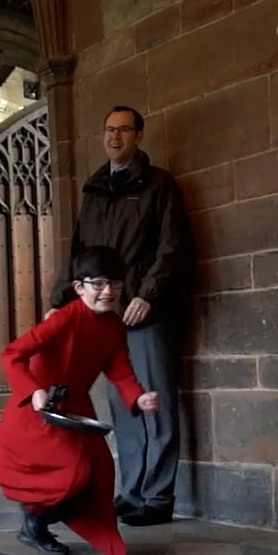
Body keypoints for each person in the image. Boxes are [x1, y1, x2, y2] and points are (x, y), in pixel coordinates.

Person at [56, 105, 191, 527]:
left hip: (145, 310)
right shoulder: (94, 189)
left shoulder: (159, 184)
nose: (115, 137)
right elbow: (79, 251)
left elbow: (172, 248)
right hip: (106, 313)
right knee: (124, 405)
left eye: (124, 130)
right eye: (109, 129)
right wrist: (62, 299)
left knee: (158, 404)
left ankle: (157, 496)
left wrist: (149, 295)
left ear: (139, 136)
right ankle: (131, 491)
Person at [0, 246, 158, 555]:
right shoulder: (63, 319)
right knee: (67, 474)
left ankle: (39, 519)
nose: (108, 292)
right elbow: (12, 354)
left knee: (100, 473)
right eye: (99, 284)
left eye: (115, 284)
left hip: (75, 410)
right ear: (79, 287)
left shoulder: (114, 327)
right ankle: (35, 522)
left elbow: (120, 370)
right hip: (38, 412)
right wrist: (33, 390)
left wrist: (138, 396)